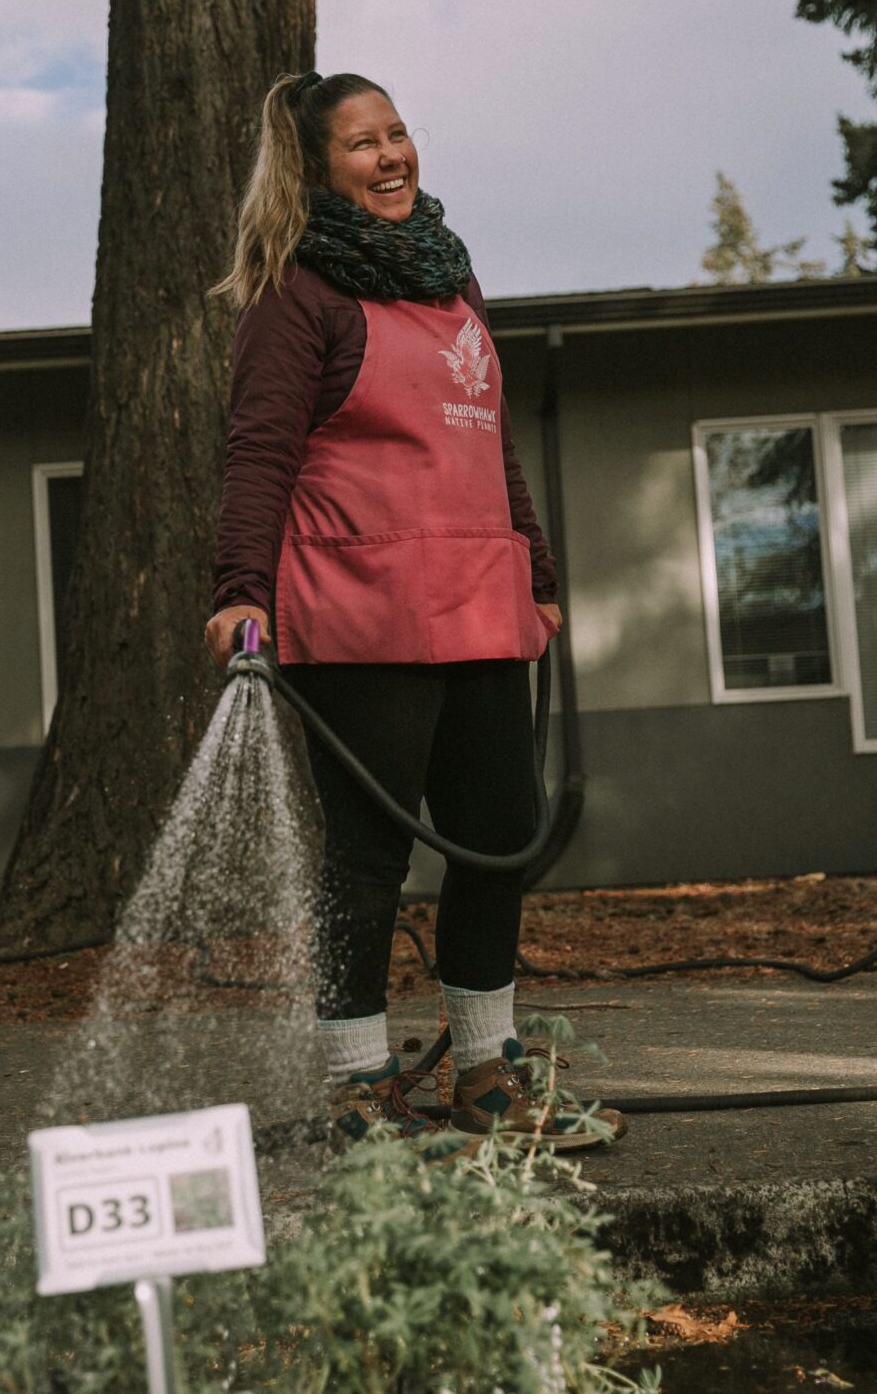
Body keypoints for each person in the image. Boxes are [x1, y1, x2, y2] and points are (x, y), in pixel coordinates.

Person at [205, 71, 624, 1152]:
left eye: (397, 134)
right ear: (315, 167)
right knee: (366, 862)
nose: (392, 155)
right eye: (363, 143)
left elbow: (491, 442)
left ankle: (487, 1081)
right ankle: (360, 1092)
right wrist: (241, 591)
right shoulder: (295, 295)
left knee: (497, 841)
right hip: (359, 616)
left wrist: (534, 567)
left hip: (481, 606)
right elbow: (258, 454)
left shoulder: (450, 279)